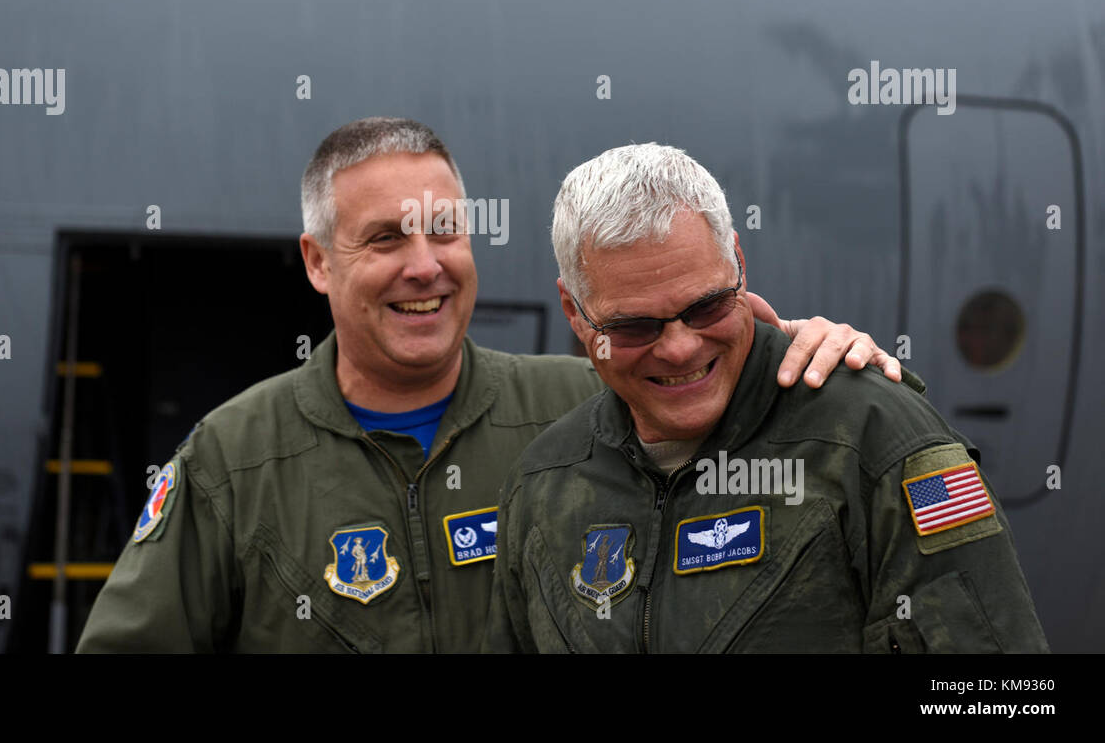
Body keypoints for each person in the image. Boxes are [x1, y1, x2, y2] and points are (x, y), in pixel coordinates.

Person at [76, 119, 906, 653]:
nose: (425, 266)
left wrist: (819, 359)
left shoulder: (589, 411)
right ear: (318, 261)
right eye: (386, 239)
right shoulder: (235, 462)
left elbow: (726, 386)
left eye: (446, 232)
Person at [483, 143, 1049, 653]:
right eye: (634, 326)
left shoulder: (877, 442)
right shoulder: (544, 484)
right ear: (574, 313)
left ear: (739, 264)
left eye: (706, 306)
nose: (679, 348)